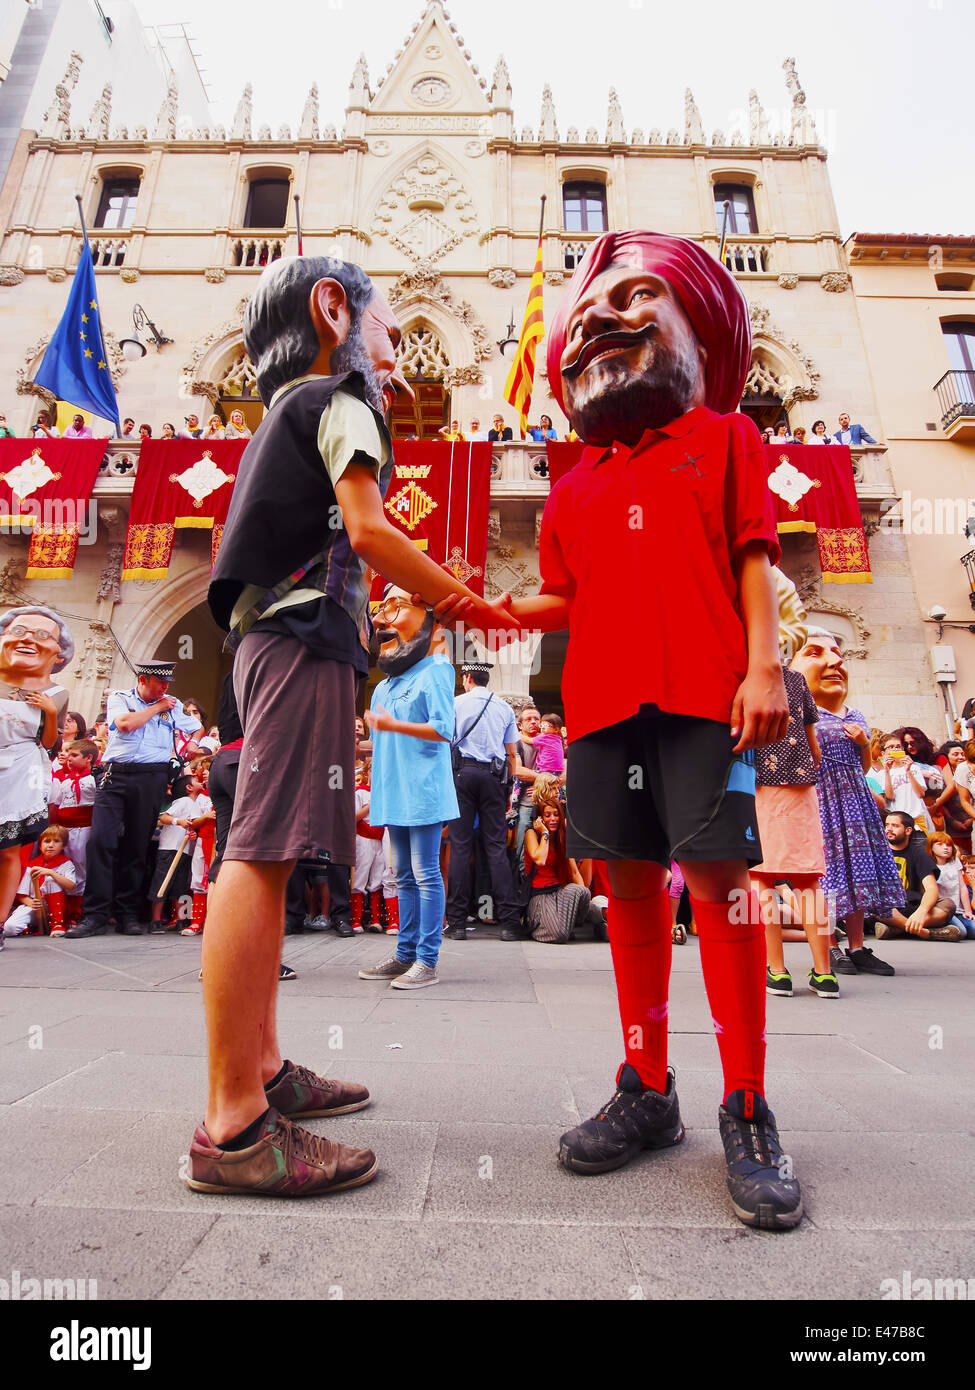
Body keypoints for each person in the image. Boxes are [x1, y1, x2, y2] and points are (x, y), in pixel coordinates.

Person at [431, 229, 802, 1229]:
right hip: (601, 706)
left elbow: (753, 556)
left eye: (636, 298)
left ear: (696, 329)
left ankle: (749, 1104)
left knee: (722, 887)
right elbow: (564, 598)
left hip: (705, 695)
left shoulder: (728, 437)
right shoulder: (573, 481)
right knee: (630, 886)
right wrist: (493, 610)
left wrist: (765, 666)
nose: (598, 318)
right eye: (585, 311)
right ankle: (647, 1084)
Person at [197, 253, 516, 1198]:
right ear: (333, 311)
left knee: (269, 849)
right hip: (298, 636)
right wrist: (470, 603)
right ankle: (235, 1126)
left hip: (270, 637)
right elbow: (370, 530)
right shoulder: (342, 399)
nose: (393, 350)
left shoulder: (280, 416)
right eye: (384, 327)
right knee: (256, 853)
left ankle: (262, 1067)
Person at [358, 587, 458, 986]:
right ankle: (405, 953)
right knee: (400, 874)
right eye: (381, 609)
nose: (382, 621)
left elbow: (442, 730)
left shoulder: (436, 669)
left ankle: (427, 960)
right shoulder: (383, 687)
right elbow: (384, 742)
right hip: (392, 789)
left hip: (424, 790)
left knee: (425, 872)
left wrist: (391, 726)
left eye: (394, 606)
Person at [791, 630, 901, 977]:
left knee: (857, 874)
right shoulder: (803, 713)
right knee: (827, 877)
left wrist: (865, 743)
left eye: (839, 653)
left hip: (856, 800)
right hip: (822, 800)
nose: (835, 662)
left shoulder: (856, 716)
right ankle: (831, 946)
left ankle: (857, 946)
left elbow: (863, 766)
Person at [66, 660, 202, 939]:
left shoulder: (172, 704)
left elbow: (196, 726)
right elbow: (124, 725)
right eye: (160, 682)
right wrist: (157, 708)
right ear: (143, 679)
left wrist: (192, 742)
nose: (165, 688)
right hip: (116, 775)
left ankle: (128, 913)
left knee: (137, 846)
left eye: (167, 684)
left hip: (152, 777)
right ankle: (95, 915)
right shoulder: (121, 698)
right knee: (101, 841)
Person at [0, 607, 72, 937]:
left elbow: (48, 742)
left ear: (58, 653)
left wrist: (50, 713)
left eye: (43, 635)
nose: (29, 638)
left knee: (8, 851)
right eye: (20, 631)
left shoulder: (57, 694)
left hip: (19, 772)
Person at [443, 660, 521, 943]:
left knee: (460, 847)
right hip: (493, 777)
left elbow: (444, 741)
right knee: (497, 848)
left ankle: (457, 922)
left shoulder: (456, 703)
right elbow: (511, 753)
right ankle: (510, 923)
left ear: (467, 678)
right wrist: (509, 788)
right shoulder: (504, 707)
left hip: (462, 774)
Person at [874, 812, 962, 941]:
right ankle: (924, 933)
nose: (889, 829)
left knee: (948, 904)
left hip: (912, 907)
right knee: (874, 903)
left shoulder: (919, 854)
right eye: (887, 825)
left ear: (908, 830)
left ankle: (896, 929)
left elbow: (931, 889)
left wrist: (921, 912)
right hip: (887, 908)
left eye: (895, 825)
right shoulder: (876, 853)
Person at [523, 797, 593, 943]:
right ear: (540, 818)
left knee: (582, 891)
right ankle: (542, 927)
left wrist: (584, 901)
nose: (553, 819)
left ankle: (567, 926)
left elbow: (574, 873)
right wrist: (545, 833)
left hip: (559, 891)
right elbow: (540, 859)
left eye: (556, 815)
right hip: (540, 895)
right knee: (559, 936)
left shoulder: (562, 837)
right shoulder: (532, 834)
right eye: (547, 815)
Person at [48, 738, 98, 928]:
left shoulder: (92, 781)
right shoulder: (65, 781)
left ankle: (77, 912)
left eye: (74, 755)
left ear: (88, 759)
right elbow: (57, 805)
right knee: (64, 865)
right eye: (68, 755)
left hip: (82, 829)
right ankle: (63, 912)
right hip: (65, 830)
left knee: (79, 867)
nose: (69, 758)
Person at [2, 826, 76, 939]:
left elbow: (71, 885)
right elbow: (22, 894)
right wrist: (30, 902)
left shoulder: (66, 864)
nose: (51, 845)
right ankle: (32, 927)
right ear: (40, 846)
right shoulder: (32, 866)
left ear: (63, 846)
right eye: (47, 841)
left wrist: (51, 873)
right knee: (9, 928)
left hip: (57, 906)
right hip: (36, 905)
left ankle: (57, 924)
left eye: (56, 841)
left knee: (50, 880)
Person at [925, 831, 975, 938]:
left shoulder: (954, 861)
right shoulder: (929, 864)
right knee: (962, 932)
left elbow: (962, 887)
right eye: (940, 844)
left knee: (973, 930)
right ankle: (935, 929)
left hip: (959, 910)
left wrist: (968, 911)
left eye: (948, 845)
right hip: (944, 910)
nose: (946, 848)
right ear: (931, 847)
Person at [881, 732, 932, 831]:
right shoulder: (882, 773)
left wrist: (908, 770)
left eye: (898, 746)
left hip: (917, 818)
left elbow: (921, 794)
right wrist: (887, 771)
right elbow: (890, 796)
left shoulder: (914, 768)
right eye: (891, 747)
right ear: (883, 753)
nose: (895, 749)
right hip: (897, 821)